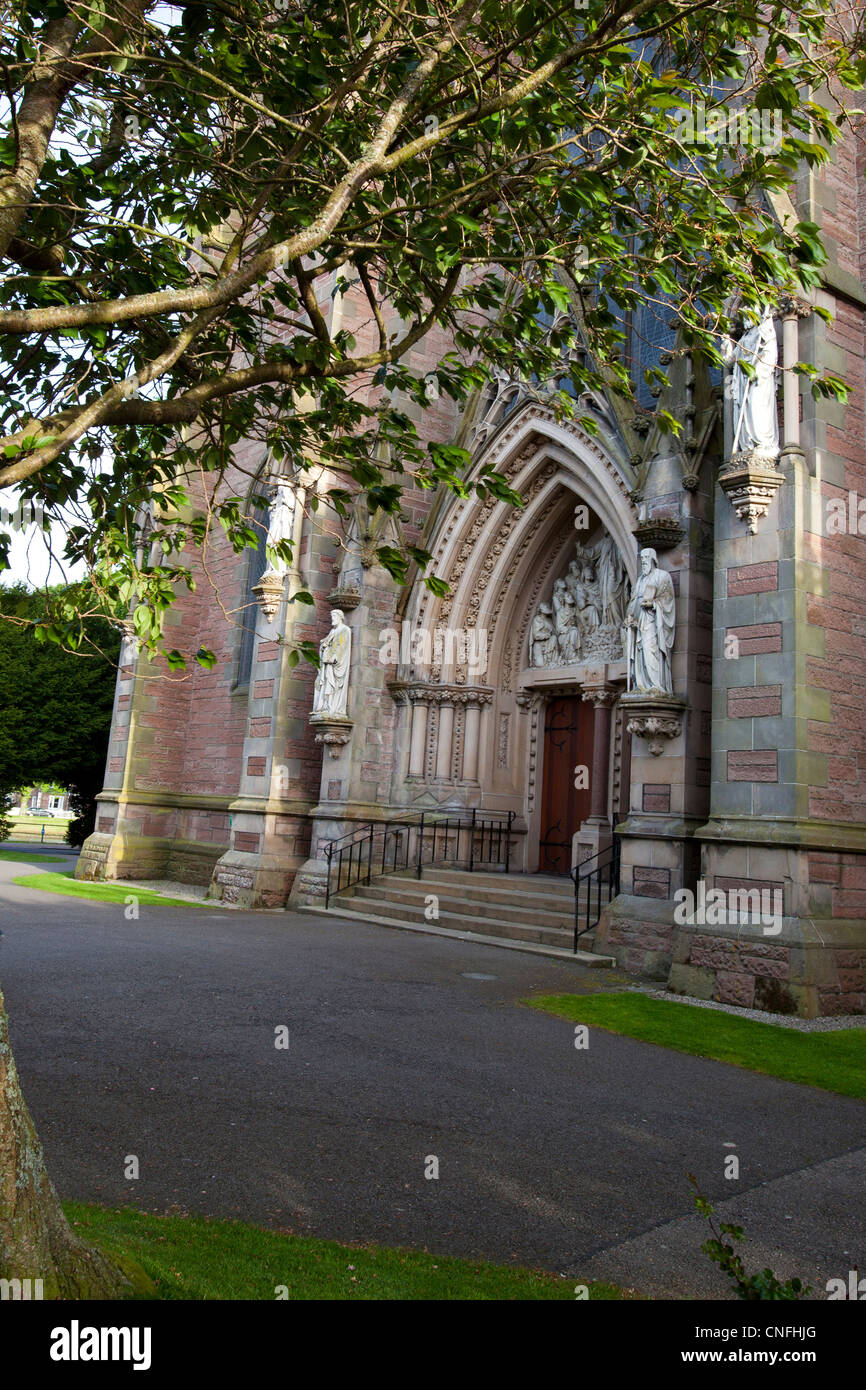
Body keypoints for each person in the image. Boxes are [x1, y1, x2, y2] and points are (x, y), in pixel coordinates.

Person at [626, 549, 676, 693]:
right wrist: (629, 616)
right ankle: (641, 685)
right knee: (640, 652)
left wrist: (654, 604)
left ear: (653, 559)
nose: (643, 561)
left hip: (653, 621)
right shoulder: (640, 579)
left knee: (650, 649)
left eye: (647, 557)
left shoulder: (662, 575)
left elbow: (668, 599)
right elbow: (634, 600)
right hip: (639, 622)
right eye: (642, 558)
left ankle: (656, 684)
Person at [312, 609, 352, 715]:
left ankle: (331, 708)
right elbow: (326, 643)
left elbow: (341, 647)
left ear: (340, 617)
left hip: (335, 664)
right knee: (324, 683)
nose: (332, 619)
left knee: (332, 684)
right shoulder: (333, 631)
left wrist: (331, 654)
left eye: (334, 617)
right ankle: (325, 707)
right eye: (331, 617)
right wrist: (323, 646)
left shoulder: (345, 630)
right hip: (328, 664)